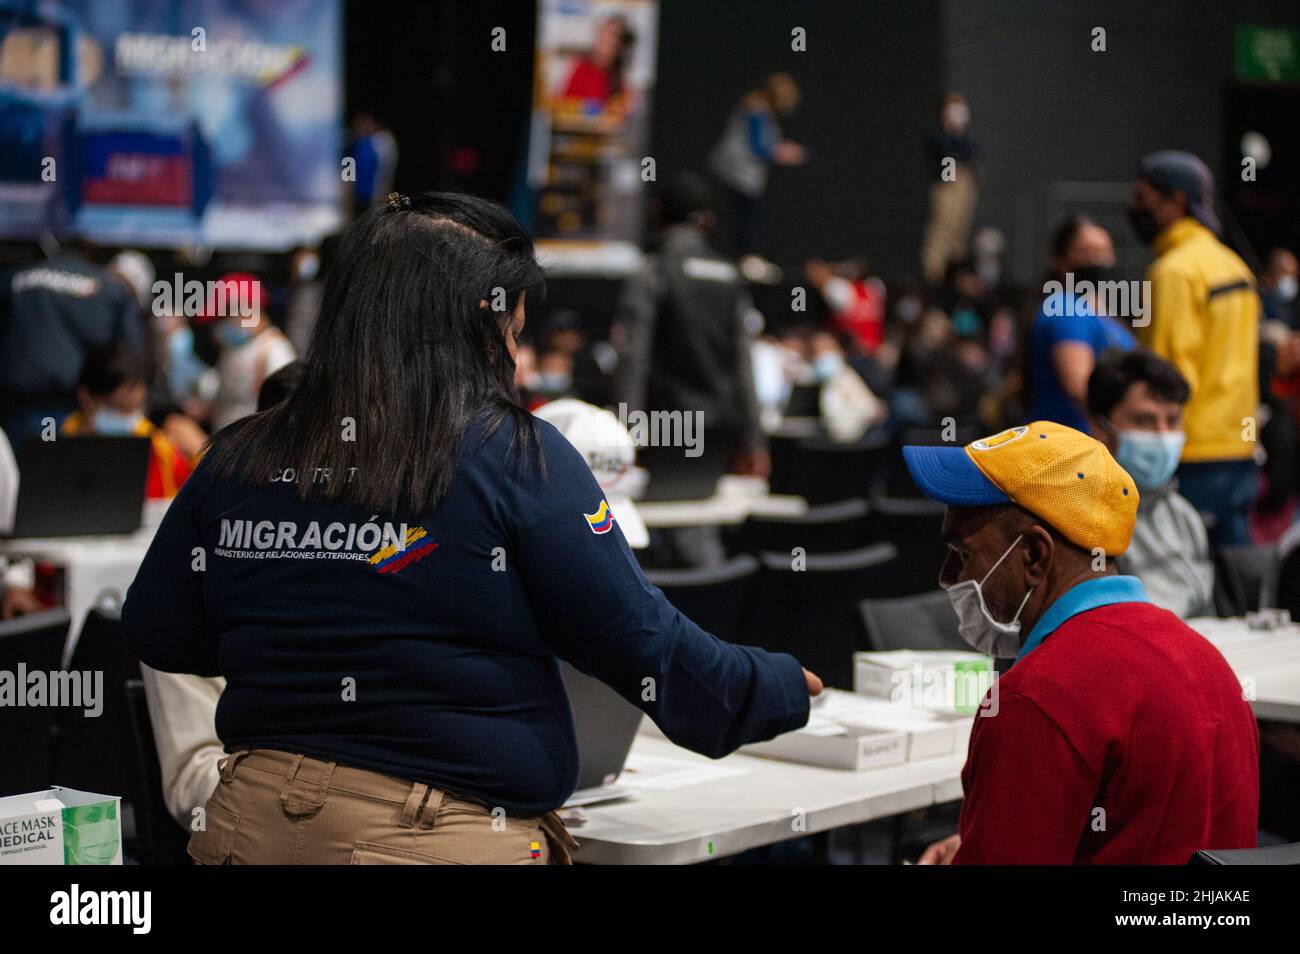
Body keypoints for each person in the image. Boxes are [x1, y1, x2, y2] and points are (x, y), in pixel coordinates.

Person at [122, 191, 820, 865]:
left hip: (249, 828)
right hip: (432, 840)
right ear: (474, 327)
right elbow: (648, 651)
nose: (514, 356)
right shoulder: (517, 457)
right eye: (512, 331)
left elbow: (159, 630)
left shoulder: (239, 455)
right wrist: (777, 686)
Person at [905, 420, 1257, 864]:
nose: (947, 578)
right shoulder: (1206, 662)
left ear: (1034, 556)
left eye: (962, 555)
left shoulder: (1036, 700)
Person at [612, 173, 767, 565]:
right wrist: (754, 440)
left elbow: (633, 360)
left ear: (656, 214)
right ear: (707, 221)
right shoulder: (730, 275)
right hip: (719, 432)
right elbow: (744, 366)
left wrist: (625, 434)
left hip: (666, 427)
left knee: (658, 538)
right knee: (697, 528)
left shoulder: (653, 270)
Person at [1129, 150, 1261, 547]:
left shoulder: (1172, 272)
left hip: (1191, 454)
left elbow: (1165, 373)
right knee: (1236, 582)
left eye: (1142, 198)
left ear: (1176, 202)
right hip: (1240, 448)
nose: (1135, 209)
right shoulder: (1235, 266)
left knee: (1178, 578)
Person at [1087, 349, 1214, 618]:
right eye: (1144, 421)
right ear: (1101, 430)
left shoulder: (1184, 516)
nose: (1163, 436)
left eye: (1172, 421)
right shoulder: (1082, 523)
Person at [0, 241, 144, 441]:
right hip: (75, 412)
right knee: (63, 469)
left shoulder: (12, 278)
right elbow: (130, 358)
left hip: (15, 410)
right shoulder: (110, 289)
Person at [1025, 215, 1136, 433]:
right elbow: (1079, 388)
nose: (1098, 260)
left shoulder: (1105, 314)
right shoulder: (1065, 307)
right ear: (1060, 260)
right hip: (1075, 448)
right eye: (1086, 252)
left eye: (1104, 252)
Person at [60, 344, 193, 500]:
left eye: (135, 408)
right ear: (86, 397)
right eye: (119, 408)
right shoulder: (59, 450)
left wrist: (200, 451)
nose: (129, 418)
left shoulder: (158, 447)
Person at [707, 73, 807, 258]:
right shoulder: (757, 111)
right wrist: (784, 152)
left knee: (740, 218)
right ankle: (744, 258)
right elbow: (759, 146)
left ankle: (743, 257)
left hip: (736, 172)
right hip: (736, 172)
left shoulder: (760, 110)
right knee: (742, 218)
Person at [205, 273, 297, 431]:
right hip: (226, 447)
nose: (219, 323)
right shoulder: (232, 350)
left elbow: (287, 413)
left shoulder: (275, 351)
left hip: (253, 450)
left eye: (224, 314)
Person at [920, 92, 978, 285]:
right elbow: (946, 153)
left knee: (960, 225)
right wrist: (950, 132)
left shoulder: (965, 136)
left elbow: (970, 151)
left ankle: (955, 271)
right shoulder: (938, 135)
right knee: (944, 223)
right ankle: (934, 272)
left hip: (963, 179)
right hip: (947, 178)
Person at [1260, 247, 1298, 329]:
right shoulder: (1253, 298)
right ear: (1271, 272)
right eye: (1286, 273)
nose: (1290, 279)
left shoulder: (1286, 310)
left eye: (1293, 275)